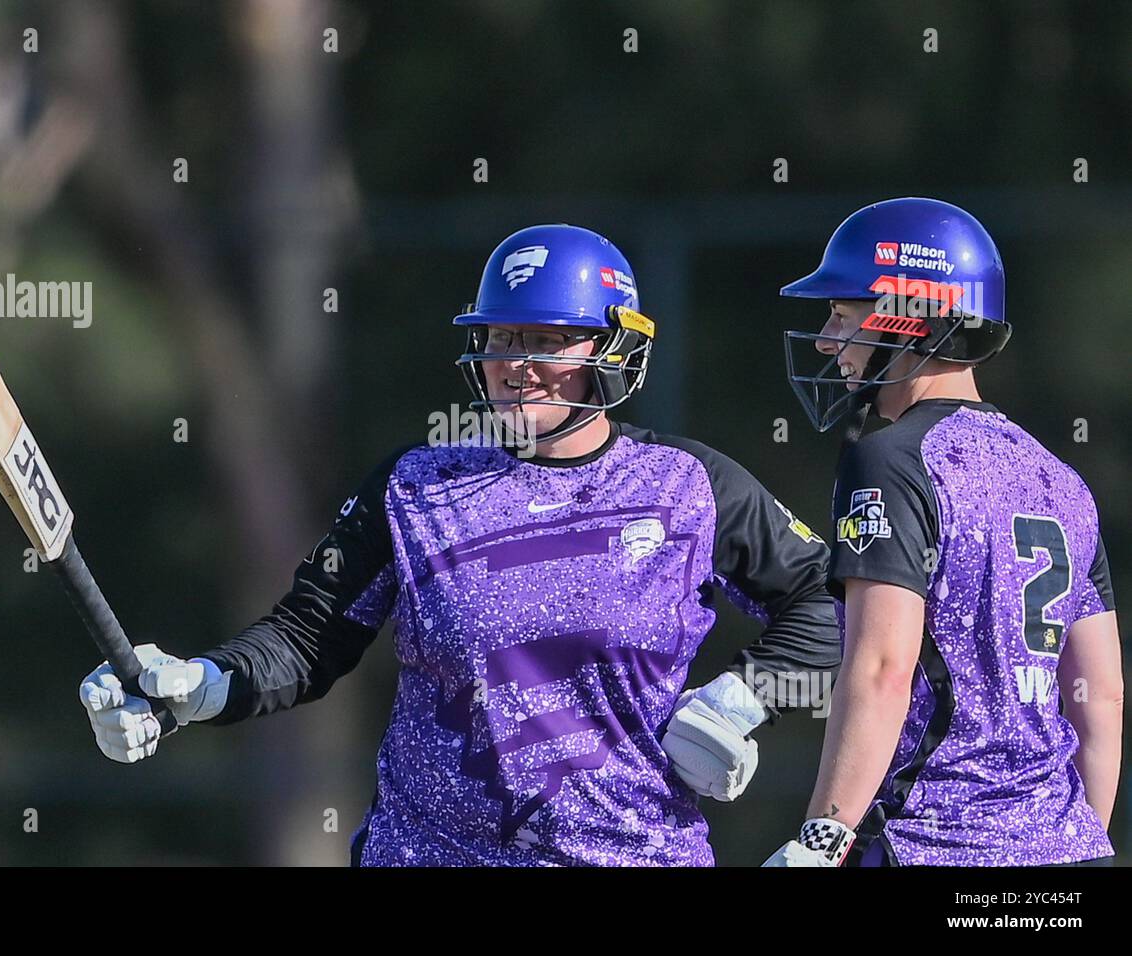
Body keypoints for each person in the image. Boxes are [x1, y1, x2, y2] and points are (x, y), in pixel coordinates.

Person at [79, 223, 840, 866]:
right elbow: (306, 638)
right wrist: (198, 686)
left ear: (613, 351)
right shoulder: (414, 486)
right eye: (503, 338)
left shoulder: (690, 486)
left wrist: (742, 699)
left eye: (549, 339)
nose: (518, 364)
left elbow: (832, 599)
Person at [767, 198, 1121, 867]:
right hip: (1069, 853)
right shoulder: (1060, 477)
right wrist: (1078, 840)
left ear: (909, 319)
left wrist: (821, 839)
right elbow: (1101, 692)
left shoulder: (891, 458)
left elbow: (881, 671)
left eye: (842, 315)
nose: (823, 339)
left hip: (933, 843)